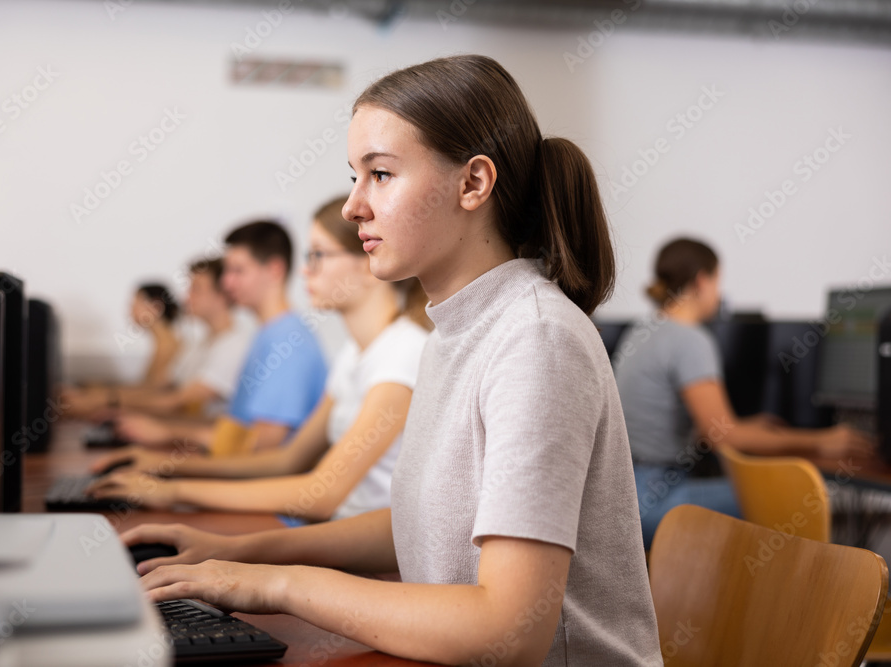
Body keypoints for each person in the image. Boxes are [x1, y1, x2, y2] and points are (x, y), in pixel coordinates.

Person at [119, 54, 661, 666]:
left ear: (473, 184)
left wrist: (280, 585)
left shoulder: (535, 340)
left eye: (379, 174)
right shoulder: (455, 330)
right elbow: (421, 527)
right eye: (354, 176)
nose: (353, 208)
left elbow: (509, 631)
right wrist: (248, 552)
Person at [88, 196, 432, 522]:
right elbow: (287, 459)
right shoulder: (353, 355)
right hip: (332, 530)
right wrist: (164, 469)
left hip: (356, 547)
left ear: (369, 260)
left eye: (317, 256)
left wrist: (173, 486)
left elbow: (319, 491)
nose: (305, 272)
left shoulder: (400, 352)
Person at [614, 237, 874, 548]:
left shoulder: (643, 331)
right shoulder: (689, 340)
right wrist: (822, 440)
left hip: (626, 492)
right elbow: (722, 436)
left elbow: (700, 429)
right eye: (717, 282)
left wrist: (753, 427)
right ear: (702, 280)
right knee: (784, 495)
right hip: (656, 497)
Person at [116, 220, 328, 455]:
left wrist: (169, 440)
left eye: (238, 271)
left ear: (274, 270)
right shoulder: (267, 334)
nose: (226, 283)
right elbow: (237, 429)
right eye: (227, 271)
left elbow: (261, 447)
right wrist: (165, 430)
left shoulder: (288, 342)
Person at [64, 261, 252, 419]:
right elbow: (162, 390)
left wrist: (102, 401)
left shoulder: (233, 345)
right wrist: (96, 394)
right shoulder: (201, 344)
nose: (186, 297)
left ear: (222, 295)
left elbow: (177, 402)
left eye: (196, 289)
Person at [63, 282, 182, 417]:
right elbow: (146, 389)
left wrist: (100, 399)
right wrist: (92, 389)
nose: (130, 311)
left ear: (156, 307)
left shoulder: (169, 346)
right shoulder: (163, 343)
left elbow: (155, 396)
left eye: (134, 304)